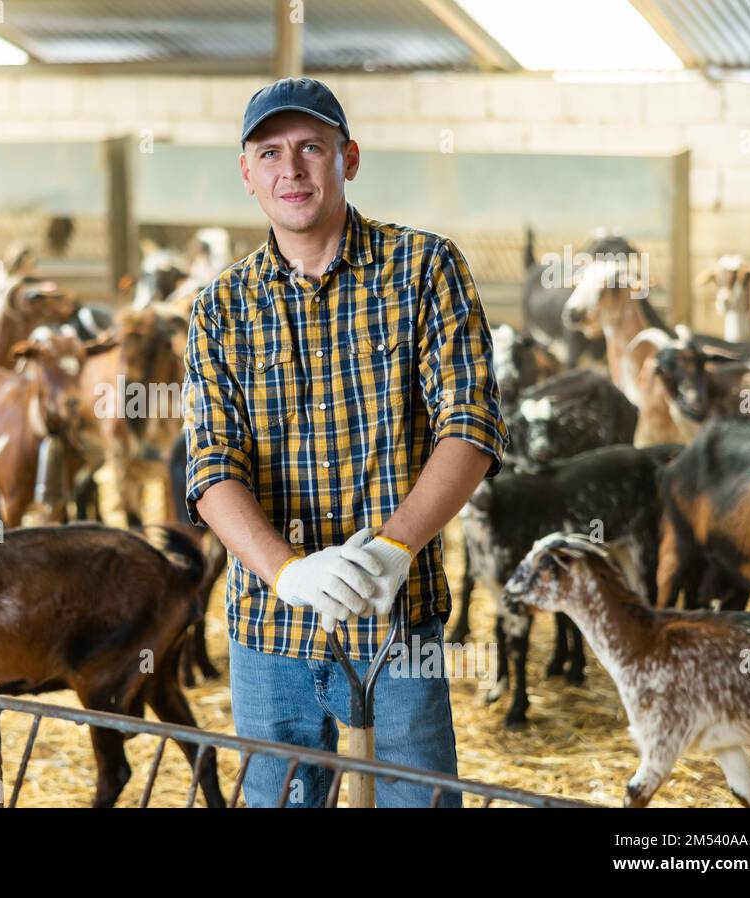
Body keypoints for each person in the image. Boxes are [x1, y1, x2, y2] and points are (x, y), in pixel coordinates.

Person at [182, 77, 508, 807]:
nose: (290, 170)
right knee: (279, 799)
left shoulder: (426, 269)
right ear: (247, 174)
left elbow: (472, 426)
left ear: (348, 158)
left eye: (311, 149)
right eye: (269, 153)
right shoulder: (220, 308)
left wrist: (396, 548)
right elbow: (212, 465)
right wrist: (286, 571)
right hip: (269, 628)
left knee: (412, 799)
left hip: (399, 618)